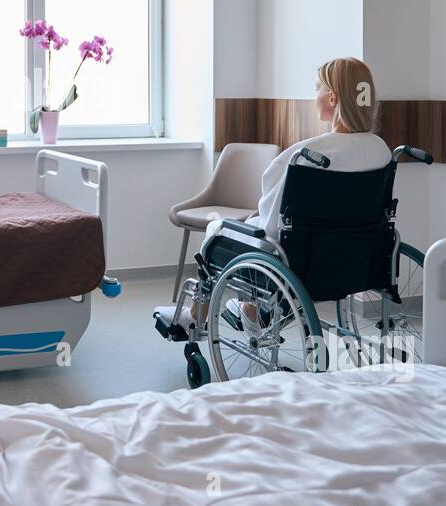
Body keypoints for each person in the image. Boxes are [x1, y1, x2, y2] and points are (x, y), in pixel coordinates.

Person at [155, 57, 391, 332]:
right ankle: (251, 308)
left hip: (296, 261)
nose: (314, 96)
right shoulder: (381, 150)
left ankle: (198, 317)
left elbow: (272, 224)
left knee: (216, 230)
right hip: (359, 258)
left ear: (332, 98)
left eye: (317, 88)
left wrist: (253, 220)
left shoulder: (307, 155)